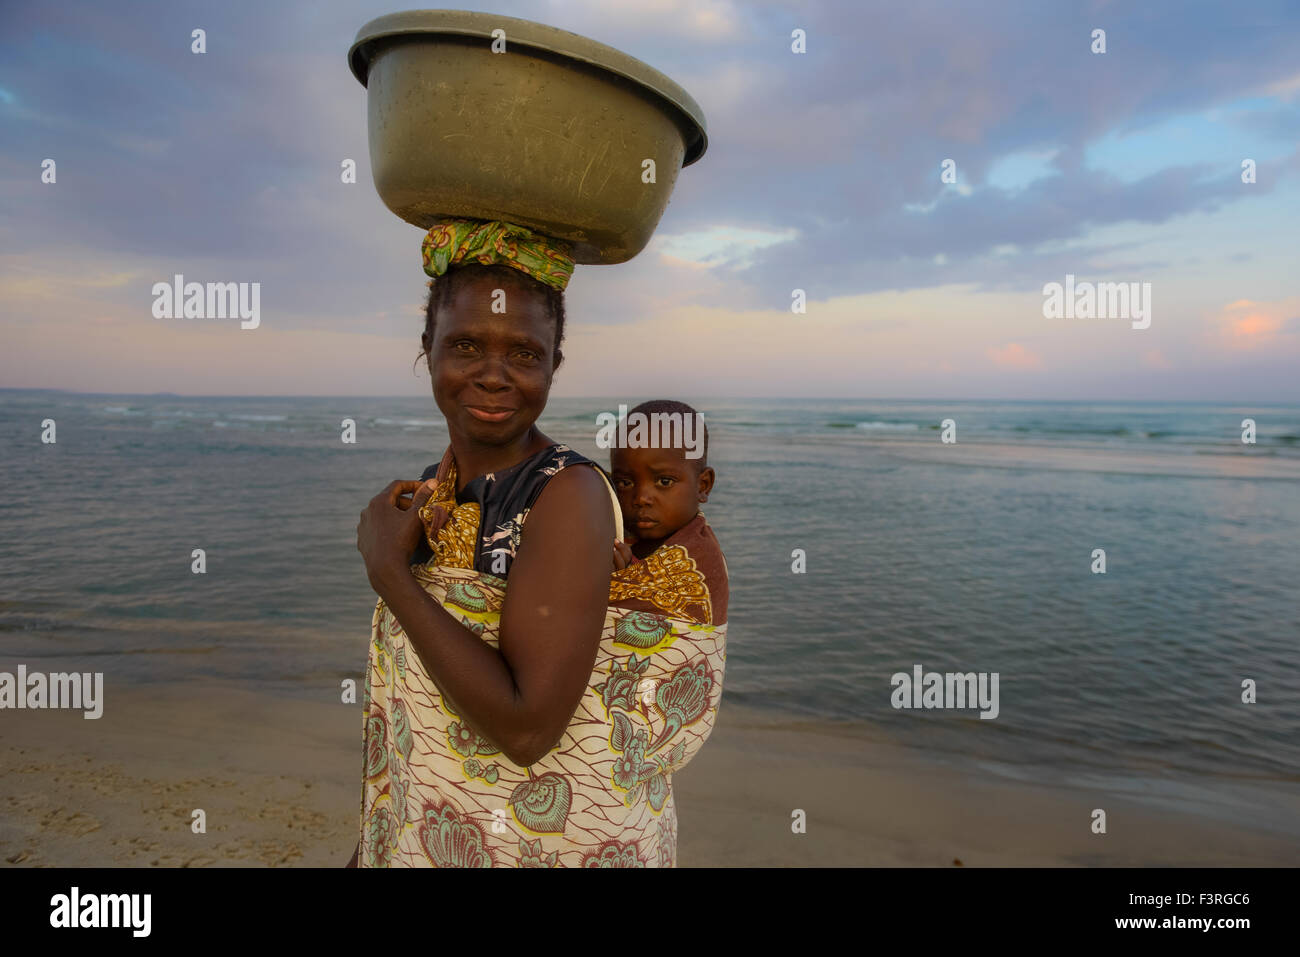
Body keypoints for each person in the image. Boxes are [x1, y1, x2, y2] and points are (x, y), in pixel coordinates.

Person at [350, 219, 726, 867]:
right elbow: (412, 724)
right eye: (466, 345)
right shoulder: (442, 488)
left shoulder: (567, 494)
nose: (494, 375)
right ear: (427, 347)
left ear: (554, 363)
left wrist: (390, 572)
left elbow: (527, 729)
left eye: (524, 353)